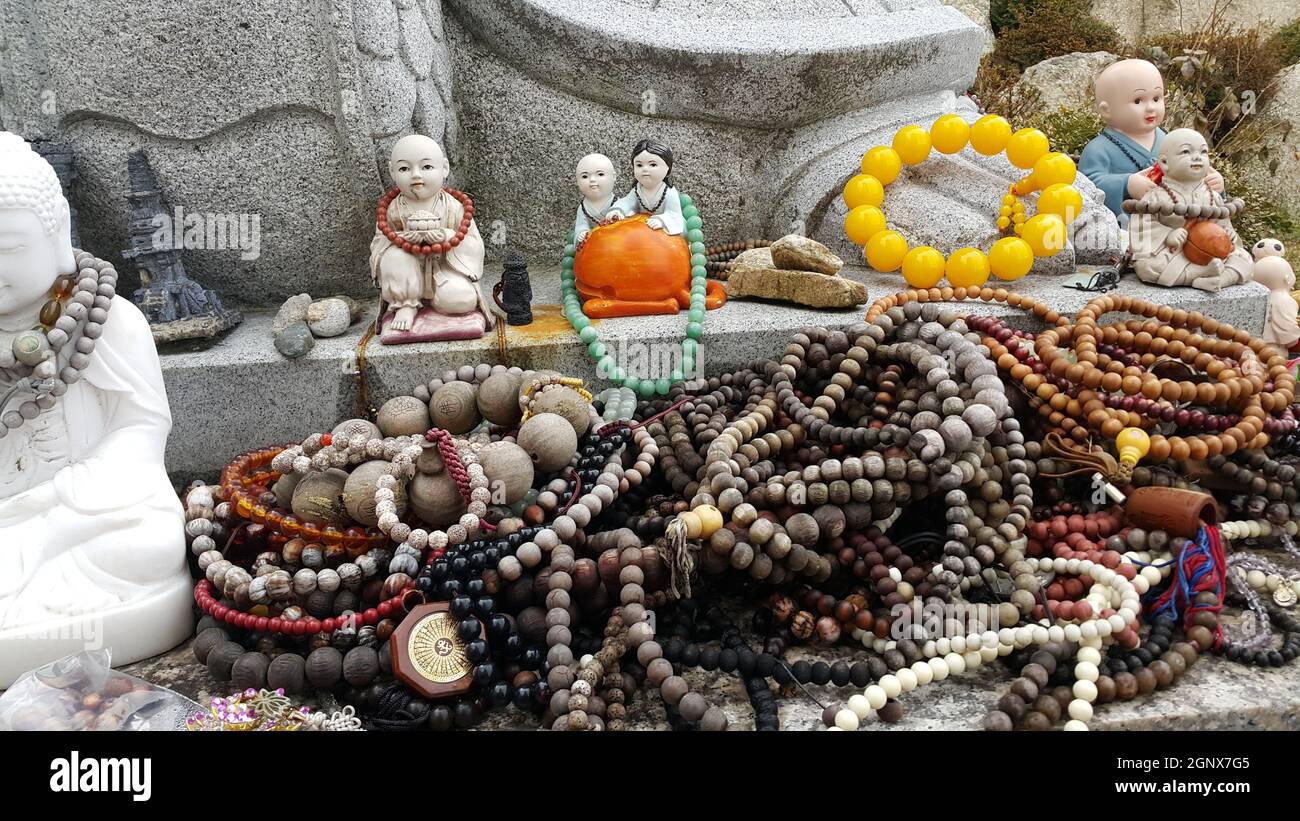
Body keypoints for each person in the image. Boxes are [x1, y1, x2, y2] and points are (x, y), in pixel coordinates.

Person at [0, 132, 191, 687]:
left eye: (9, 247)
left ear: (56, 233)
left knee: (152, 545)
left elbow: (142, 425)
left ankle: (31, 560)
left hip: (83, 516)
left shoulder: (112, 321)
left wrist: (57, 509)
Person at [369, 134, 490, 337]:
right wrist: (400, 240)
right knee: (393, 256)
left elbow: (473, 244)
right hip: (405, 275)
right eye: (404, 169)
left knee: (462, 300)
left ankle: (438, 302)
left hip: (444, 270)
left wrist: (447, 236)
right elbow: (379, 246)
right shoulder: (392, 210)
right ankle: (405, 305)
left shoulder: (454, 206)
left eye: (426, 167)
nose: (416, 175)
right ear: (392, 171)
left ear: (444, 167)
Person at [1079, 59, 1223, 222]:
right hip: (1130, 230)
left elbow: (1191, 172)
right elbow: (1086, 187)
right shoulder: (1098, 149)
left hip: (1180, 223)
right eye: (1138, 100)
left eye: (1156, 98)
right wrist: (1126, 184)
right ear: (1107, 110)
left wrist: (1213, 183)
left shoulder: (1171, 141)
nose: (1151, 107)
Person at [610, 139, 685, 235]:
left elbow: (674, 214)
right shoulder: (638, 189)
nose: (645, 169)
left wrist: (661, 221)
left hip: (663, 235)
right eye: (639, 165)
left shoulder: (669, 193)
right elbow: (627, 202)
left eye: (653, 164)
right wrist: (618, 211)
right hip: (641, 231)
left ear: (668, 167)